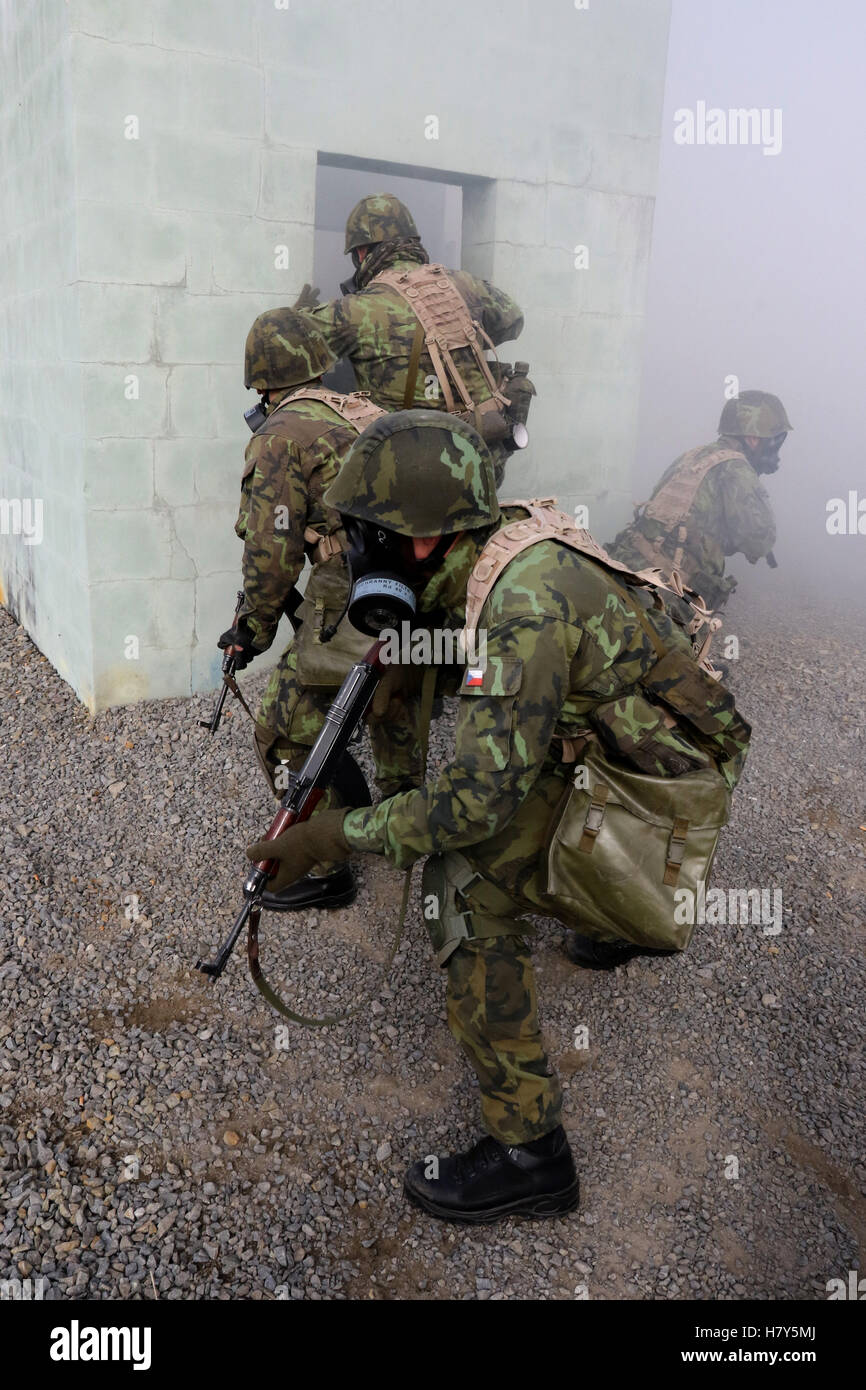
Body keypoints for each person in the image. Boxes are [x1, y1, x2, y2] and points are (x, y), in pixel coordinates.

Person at [245, 411, 751, 1224]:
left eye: (366, 534)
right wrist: (410, 658)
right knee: (489, 813)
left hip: (659, 788)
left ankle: (531, 1152)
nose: (356, 550)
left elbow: (476, 804)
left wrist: (331, 835)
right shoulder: (492, 542)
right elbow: (475, 649)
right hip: (635, 739)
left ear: (417, 541)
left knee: (465, 879)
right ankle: (605, 913)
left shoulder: (524, 606)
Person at [218, 308, 422, 912]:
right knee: (393, 712)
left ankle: (328, 862)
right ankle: (408, 827)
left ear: (261, 381)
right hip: (419, 590)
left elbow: (270, 558)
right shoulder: (365, 412)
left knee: (282, 732)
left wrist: (250, 632)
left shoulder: (280, 436)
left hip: (356, 592)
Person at [302, 192, 532, 484]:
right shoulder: (467, 284)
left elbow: (288, 350)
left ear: (361, 254)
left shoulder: (356, 309)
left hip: (406, 483)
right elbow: (513, 321)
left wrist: (300, 312)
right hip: (481, 474)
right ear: (413, 244)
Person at [606, 391, 792, 615]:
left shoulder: (693, 456)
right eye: (773, 442)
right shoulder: (738, 470)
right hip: (667, 591)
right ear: (753, 439)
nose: (775, 451)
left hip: (627, 564)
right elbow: (759, 542)